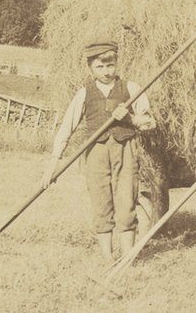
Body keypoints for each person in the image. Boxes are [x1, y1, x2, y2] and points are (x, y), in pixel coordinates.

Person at [41, 41, 156, 262]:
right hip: (96, 153)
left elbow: (150, 123)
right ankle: (108, 260)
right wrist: (52, 165)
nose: (106, 72)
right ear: (90, 68)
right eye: (100, 67)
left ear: (116, 64)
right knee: (101, 203)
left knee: (126, 202)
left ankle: (127, 259)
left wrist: (131, 118)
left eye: (110, 65)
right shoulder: (84, 93)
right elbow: (67, 127)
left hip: (126, 150)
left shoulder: (131, 88)